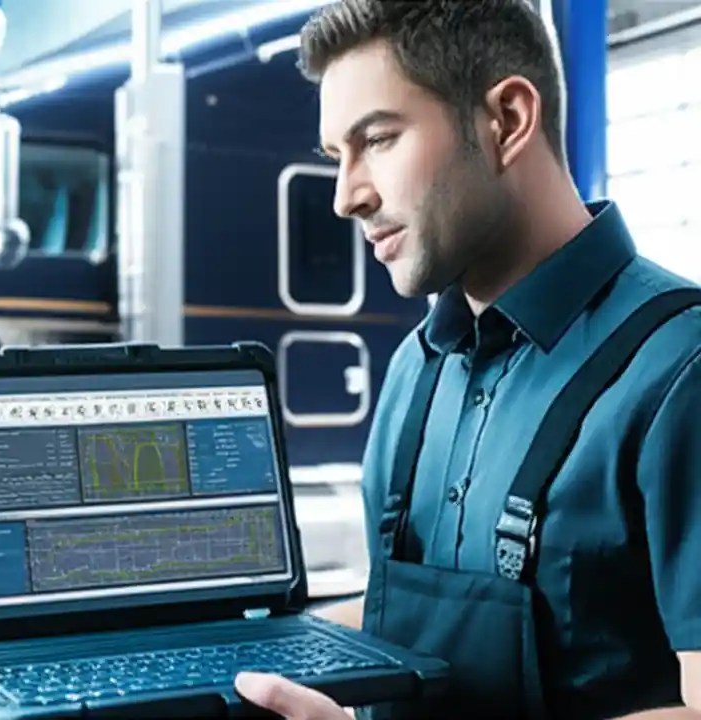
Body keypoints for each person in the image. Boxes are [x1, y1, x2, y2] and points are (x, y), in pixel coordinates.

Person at [233, 1, 701, 719]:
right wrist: (231, 660)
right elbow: (407, 619)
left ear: (507, 120)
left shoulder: (678, 367)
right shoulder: (416, 371)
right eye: (336, 158)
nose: (346, 197)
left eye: (377, 140)